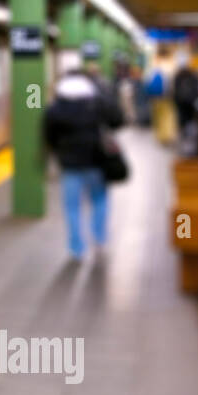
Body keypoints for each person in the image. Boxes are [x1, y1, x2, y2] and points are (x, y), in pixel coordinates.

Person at [45, 68, 125, 260]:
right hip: (97, 161)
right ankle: (100, 240)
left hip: (70, 165)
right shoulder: (97, 103)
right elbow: (118, 120)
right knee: (100, 200)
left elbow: (50, 137)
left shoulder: (56, 108)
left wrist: (58, 153)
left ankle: (76, 248)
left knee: (72, 206)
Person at [172, 58, 198, 134]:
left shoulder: (180, 76)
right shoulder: (190, 75)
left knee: (186, 119)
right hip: (186, 102)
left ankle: (187, 133)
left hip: (186, 102)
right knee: (186, 119)